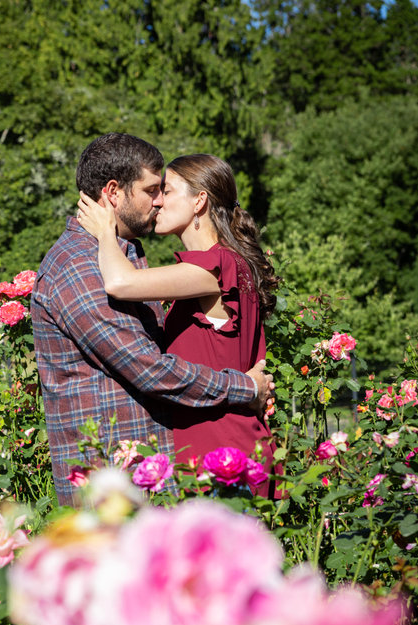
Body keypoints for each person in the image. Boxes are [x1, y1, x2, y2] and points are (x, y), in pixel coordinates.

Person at [31, 134, 273, 506]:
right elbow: (149, 369)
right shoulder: (80, 267)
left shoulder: (181, 262)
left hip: (191, 460)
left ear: (201, 201)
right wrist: (246, 388)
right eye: (151, 189)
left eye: (166, 190)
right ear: (113, 192)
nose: (158, 201)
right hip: (111, 487)